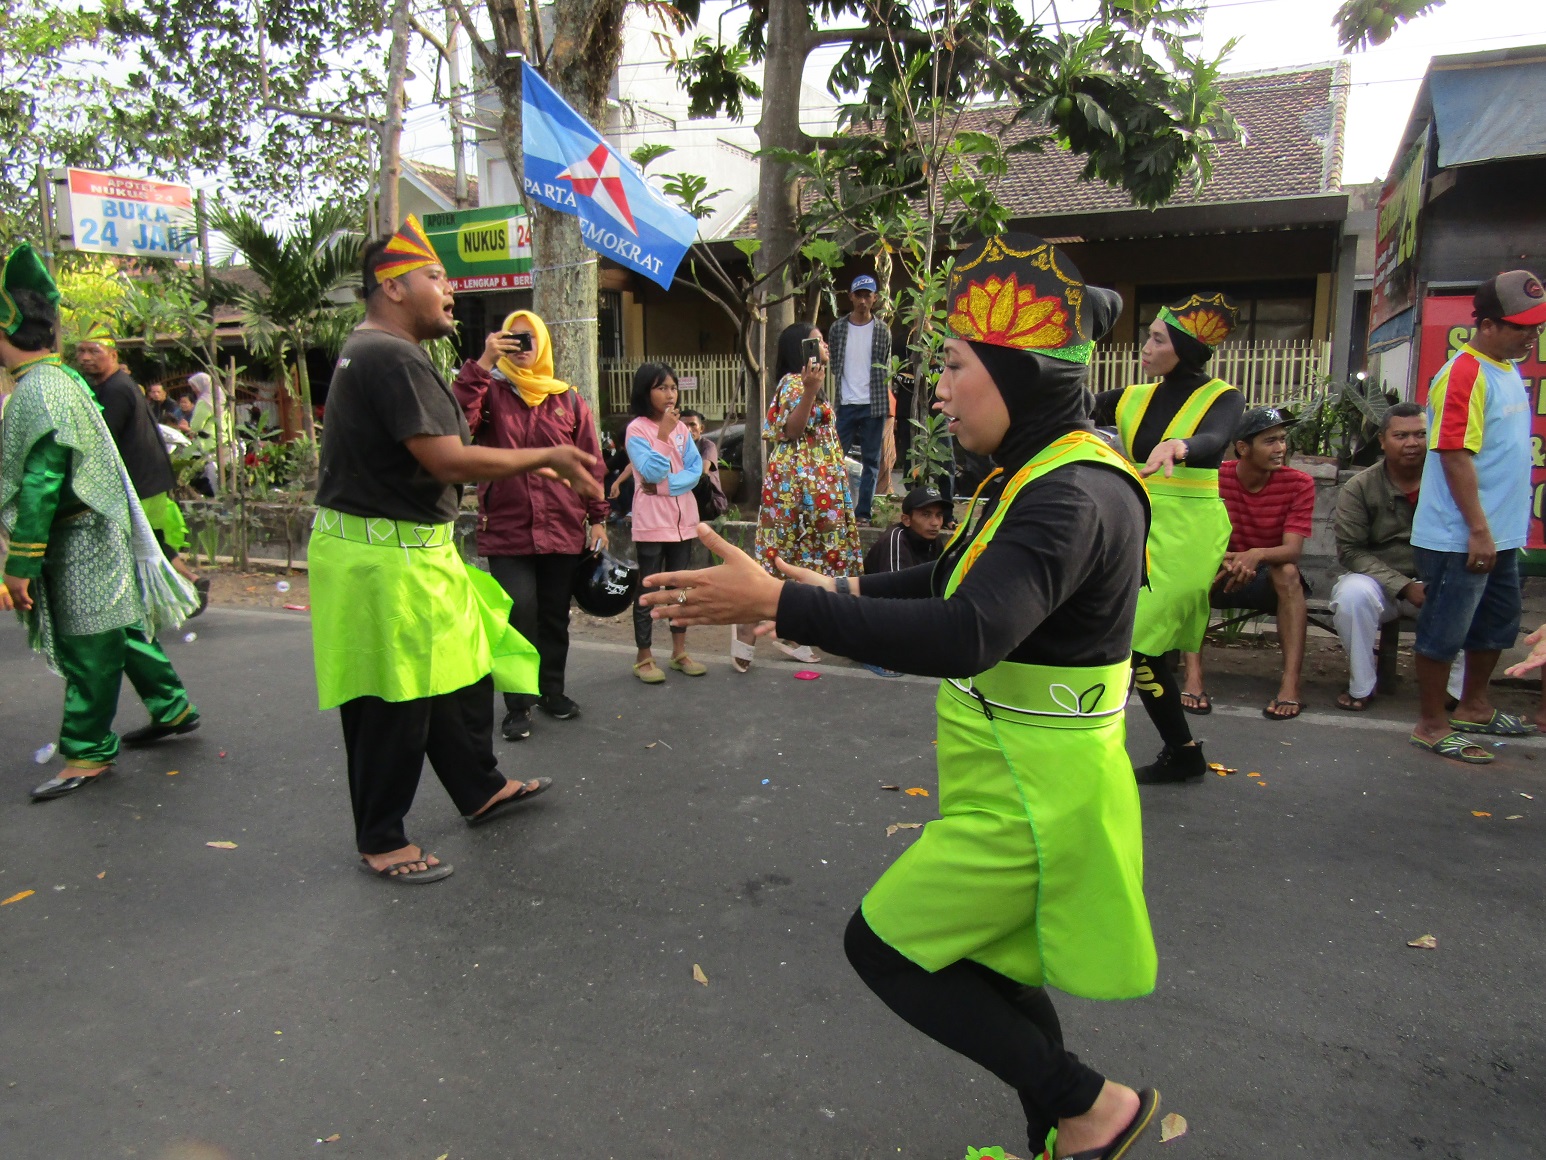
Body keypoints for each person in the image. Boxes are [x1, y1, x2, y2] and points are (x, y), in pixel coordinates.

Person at [640, 234, 1162, 1160]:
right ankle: (1063, 1125)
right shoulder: (1035, 471)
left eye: (957, 367)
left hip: (1036, 802)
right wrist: (820, 594)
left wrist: (785, 602)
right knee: (989, 966)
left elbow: (970, 631)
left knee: (882, 946)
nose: (942, 389)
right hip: (1015, 783)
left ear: (1018, 370)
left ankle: (1086, 1105)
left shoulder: (1071, 492)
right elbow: (951, 584)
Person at [310, 216, 601, 883]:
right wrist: (550, 455)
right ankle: (381, 839)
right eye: (435, 277)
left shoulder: (390, 351)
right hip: (383, 563)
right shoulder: (388, 354)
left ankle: (479, 786)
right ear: (392, 286)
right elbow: (445, 459)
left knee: (463, 675)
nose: (449, 289)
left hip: (412, 553)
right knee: (395, 702)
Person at [0, 243, 201, 802]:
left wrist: (19, 564)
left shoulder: (39, 391)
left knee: (90, 644)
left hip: (80, 537)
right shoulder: (61, 382)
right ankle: (171, 704)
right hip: (97, 529)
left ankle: (86, 752)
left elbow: (42, 482)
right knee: (117, 628)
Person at [1091, 294, 1245, 782]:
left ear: (1182, 346)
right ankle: (1182, 751)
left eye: (1158, 338)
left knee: (1134, 640)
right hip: (1137, 521)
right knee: (1143, 649)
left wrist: (1181, 445)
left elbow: (1216, 438)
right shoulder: (1133, 396)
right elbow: (1069, 409)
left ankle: (1094, 753)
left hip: (1189, 534)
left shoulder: (1223, 397)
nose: (1147, 345)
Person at [1407, 271, 1545, 763]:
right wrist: (1479, 530)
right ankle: (1431, 722)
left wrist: (1502, 530)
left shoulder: (1505, 369)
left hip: (1499, 535)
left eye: (1535, 328)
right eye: (1519, 328)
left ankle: (1475, 706)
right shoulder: (1464, 373)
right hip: (1459, 536)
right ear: (1486, 325)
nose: (1530, 337)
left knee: (1497, 625)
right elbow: (1453, 454)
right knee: (1445, 628)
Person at [452, 314, 609, 741]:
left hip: (561, 527)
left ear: (542, 343)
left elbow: (591, 461)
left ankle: (551, 692)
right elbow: (456, 425)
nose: (522, 345)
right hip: (508, 528)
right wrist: (483, 362)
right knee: (518, 614)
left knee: (554, 617)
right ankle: (517, 704)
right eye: (513, 338)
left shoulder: (568, 400)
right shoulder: (490, 394)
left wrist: (598, 518)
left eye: (529, 338)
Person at [734, 322, 864, 672]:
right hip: (798, 488)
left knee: (803, 557)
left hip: (813, 488)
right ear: (800, 348)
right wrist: (809, 391)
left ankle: (792, 633)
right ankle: (748, 623)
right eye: (818, 340)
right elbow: (791, 430)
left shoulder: (812, 385)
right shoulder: (796, 383)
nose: (824, 345)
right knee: (787, 556)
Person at [1330, 402, 1462, 710]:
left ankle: (1455, 692)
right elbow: (1350, 551)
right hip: (1383, 586)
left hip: (1437, 583)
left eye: (1420, 434)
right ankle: (1362, 687)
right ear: (1382, 440)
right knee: (1351, 596)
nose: (1412, 443)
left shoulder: (1449, 477)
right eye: (1401, 436)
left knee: (1472, 594)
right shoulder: (1360, 486)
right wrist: (1403, 585)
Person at [1190, 406, 1315, 721]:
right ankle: (1193, 676)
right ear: (1243, 448)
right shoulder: (1215, 478)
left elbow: (1292, 551)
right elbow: (1195, 539)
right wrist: (1226, 558)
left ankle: (1290, 684)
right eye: (1270, 441)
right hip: (1222, 569)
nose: (1281, 448)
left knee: (1288, 574)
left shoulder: (1299, 483)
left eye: (1282, 440)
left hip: (1267, 576)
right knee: (1195, 571)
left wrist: (1255, 554)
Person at [73, 322, 208, 613]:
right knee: (149, 538)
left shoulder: (116, 390)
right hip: (149, 479)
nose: (85, 357)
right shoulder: (119, 385)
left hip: (139, 482)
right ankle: (192, 580)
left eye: (93, 351)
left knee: (132, 542)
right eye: (80, 351)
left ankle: (170, 593)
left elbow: (103, 438)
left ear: (111, 354)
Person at [624, 362, 707, 683]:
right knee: (648, 589)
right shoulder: (637, 430)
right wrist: (661, 436)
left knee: (681, 590)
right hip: (651, 523)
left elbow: (694, 472)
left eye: (673, 387)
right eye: (662, 388)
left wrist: (660, 487)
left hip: (684, 522)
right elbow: (650, 469)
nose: (670, 394)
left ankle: (679, 652)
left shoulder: (684, 430)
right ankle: (643, 656)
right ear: (646, 392)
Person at [829, 273, 893, 523]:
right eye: (859, 295)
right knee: (835, 458)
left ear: (875, 298)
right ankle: (834, 508)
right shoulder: (838, 328)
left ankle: (863, 512)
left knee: (871, 461)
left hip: (873, 403)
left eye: (868, 295)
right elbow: (834, 363)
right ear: (851, 297)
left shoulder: (882, 330)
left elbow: (886, 366)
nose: (863, 300)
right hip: (845, 403)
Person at [864, 485, 950, 575]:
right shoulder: (896, 539)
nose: (935, 523)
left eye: (939, 515)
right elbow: (896, 585)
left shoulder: (934, 540)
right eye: (926, 515)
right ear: (906, 520)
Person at [679, 408, 729, 519]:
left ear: (701, 428)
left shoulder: (707, 445)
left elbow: (702, 471)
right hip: (685, 498)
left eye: (692, 425)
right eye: (683, 425)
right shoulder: (675, 446)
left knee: (701, 479)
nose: (688, 429)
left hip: (710, 503)